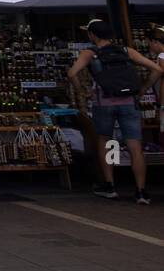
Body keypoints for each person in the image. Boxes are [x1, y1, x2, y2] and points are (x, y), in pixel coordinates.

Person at [68, 19, 160, 204]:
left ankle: (110, 186)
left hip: (104, 103)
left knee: (107, 141)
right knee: (135, 146)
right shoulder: (127, 51)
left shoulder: (90, 53)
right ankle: (141, 191)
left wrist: (82, 92)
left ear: (92, 35)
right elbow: (157, 69)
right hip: (129, 103)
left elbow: (72, 73)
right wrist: (142, 90)